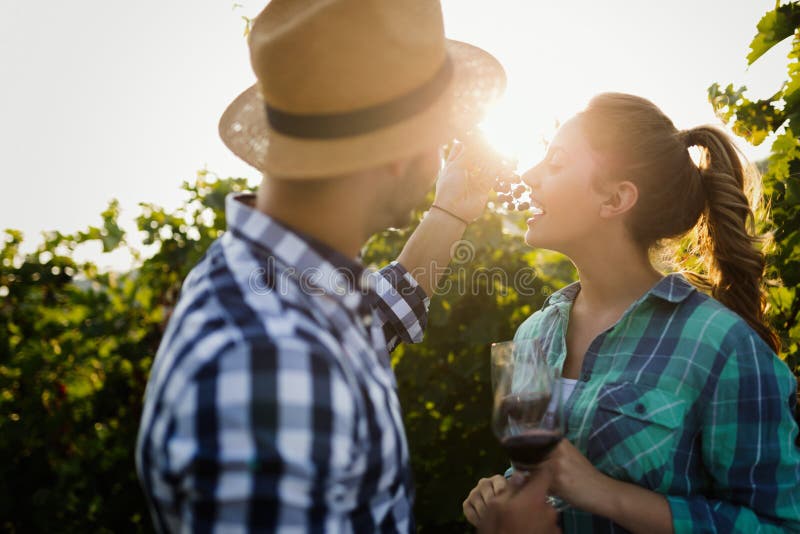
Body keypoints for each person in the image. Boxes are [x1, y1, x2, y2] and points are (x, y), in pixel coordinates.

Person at [134, 0, 562, 532]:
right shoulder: (272, 365)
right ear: (399, 149)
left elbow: (380, 311)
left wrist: (450, 211)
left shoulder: (271, 282)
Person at [464, 93, 800, 532]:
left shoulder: (720, 345)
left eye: (556, 162)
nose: (529, 175)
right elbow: (535, 481)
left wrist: (608, 495)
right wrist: (504, 503)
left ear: (616, 199)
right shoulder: (533, 335)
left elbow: (780, 526)